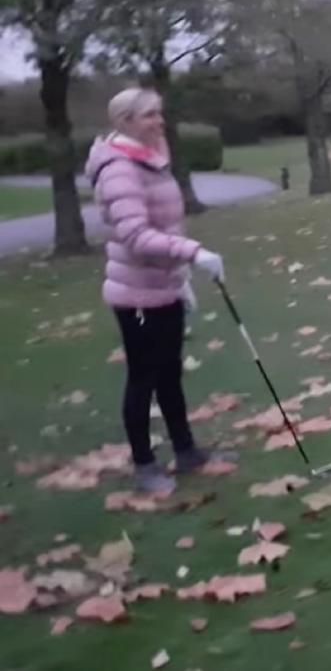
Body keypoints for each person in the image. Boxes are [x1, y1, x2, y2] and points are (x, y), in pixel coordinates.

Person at [84, 87, 228, 494]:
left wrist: (180, 276)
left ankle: (186, 452)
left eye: (159, 114)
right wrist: (193, 252)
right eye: (149, 115)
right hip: (136, 294)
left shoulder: (149, 155)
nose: (159, 122)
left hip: (163, 285)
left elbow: (165, 226)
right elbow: (135, 235)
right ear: (124, 121)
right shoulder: (118, 169)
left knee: (170, 373)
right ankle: (145, 464)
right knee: (143, 377)